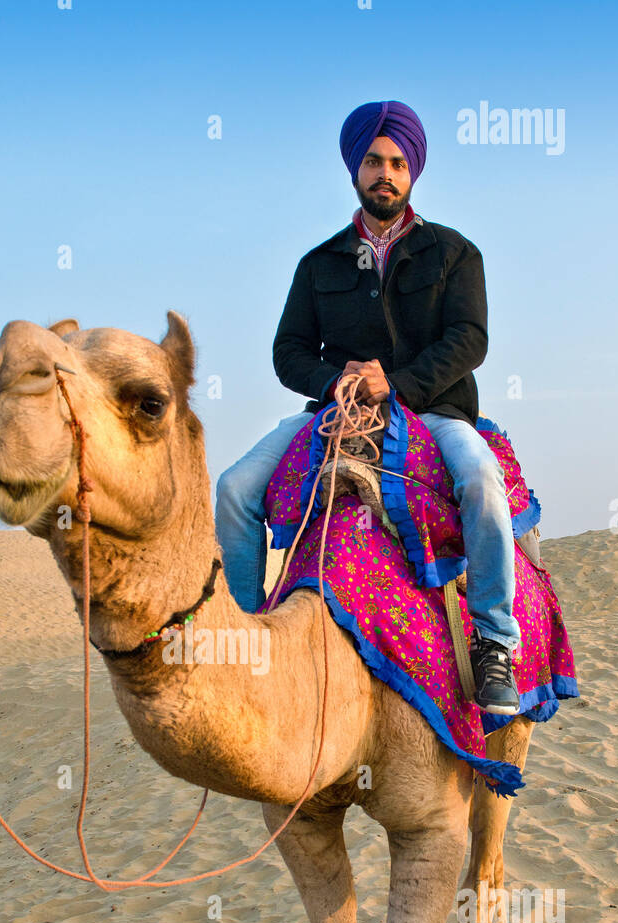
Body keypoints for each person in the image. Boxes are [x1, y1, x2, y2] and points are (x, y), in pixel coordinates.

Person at [215, 99, 521, 715]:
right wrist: (334, 382)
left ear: (414, 173)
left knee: (483, 483)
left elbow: (471, 340)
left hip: (433, 409)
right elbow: (288, 351)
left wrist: (398, 384)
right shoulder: (319, 263)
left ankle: (495, 641)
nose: (387, 173)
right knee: (233, 488)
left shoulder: (455, 254)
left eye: (399, 163)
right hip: (334, 411)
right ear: (356, 170)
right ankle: (246, 634)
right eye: (375, 162)